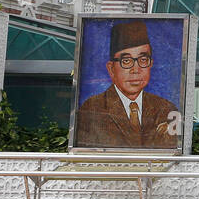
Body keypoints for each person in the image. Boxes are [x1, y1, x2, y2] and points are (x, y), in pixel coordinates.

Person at [75, 20, 179, 149]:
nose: (135, 69)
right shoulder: (92, 109)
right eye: (126, 61)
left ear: (151, 63)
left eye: (143, 60)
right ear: (111, 68)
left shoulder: (167, 109)